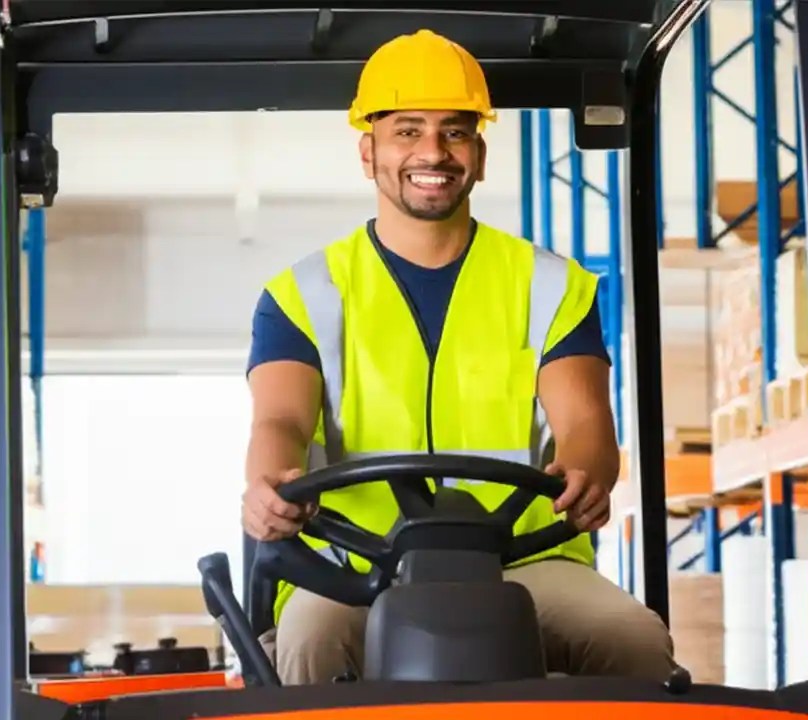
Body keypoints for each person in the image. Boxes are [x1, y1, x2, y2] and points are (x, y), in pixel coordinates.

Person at [241, 28, 675, 685]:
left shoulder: (548, 284)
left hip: (524, 561)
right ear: (369, 152)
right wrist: (270, 481)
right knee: (308, 637)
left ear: (479, 151)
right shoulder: (303, 294)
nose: (433, 152)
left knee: (631, 638)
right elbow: (280, 422)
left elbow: (585, 421)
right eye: (407, 131)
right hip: (359, 566)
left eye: (455, 130)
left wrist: (589, 471)